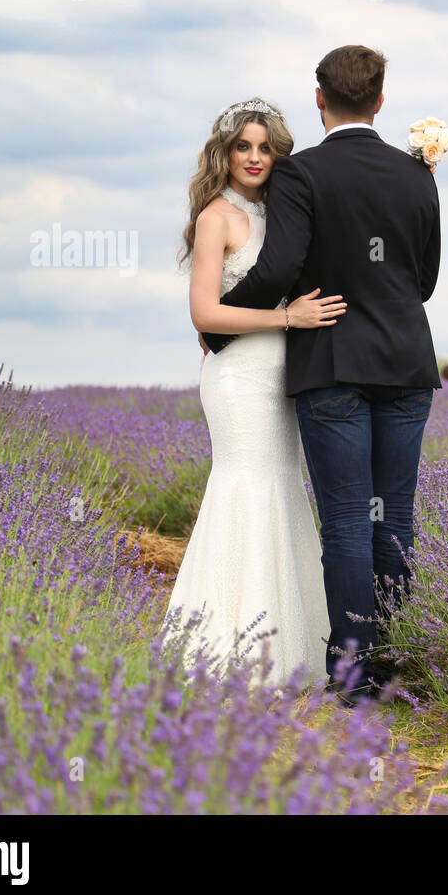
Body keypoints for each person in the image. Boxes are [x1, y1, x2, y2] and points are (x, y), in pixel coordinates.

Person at [202, 46, 443, 707]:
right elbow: (423, 280)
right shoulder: (417, 171)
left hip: (331, 367)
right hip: (405, 364)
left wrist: (219, 326)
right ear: (382, 100)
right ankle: (391, 666)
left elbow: (279, 270)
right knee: (392, 521)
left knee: (344, 523)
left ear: (318, 98)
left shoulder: (301, 173)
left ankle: (352, 674)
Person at [164, 97, 345, 691]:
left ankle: (289, 654)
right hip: (238, 375)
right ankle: (224, 652)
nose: (254, 157)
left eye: (265, 147)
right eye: (243, 146)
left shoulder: (289, 211)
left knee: (283, 490)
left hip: (283, 376)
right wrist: (286, 319)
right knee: (243, 484)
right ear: (225, 152)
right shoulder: (217, 216)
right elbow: (204, 310)